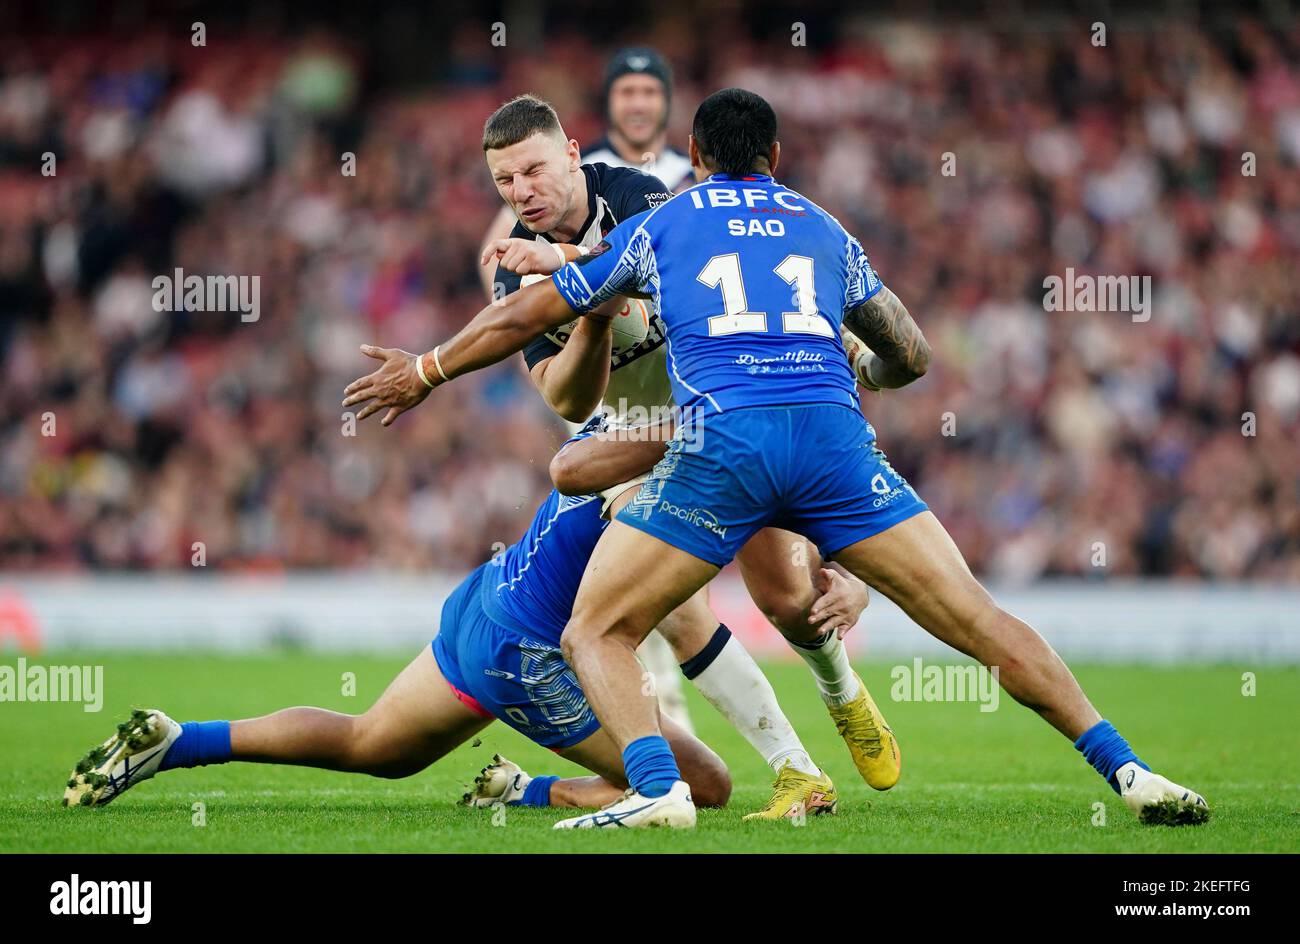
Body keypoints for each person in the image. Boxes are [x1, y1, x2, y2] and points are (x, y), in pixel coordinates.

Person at [342, 88, 1210, 831]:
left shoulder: (664, 219)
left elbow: (526, 316)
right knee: (978, 622)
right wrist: (865, 371)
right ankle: (1131, 772)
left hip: (715, 442)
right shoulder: (824, 226)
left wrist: (426, 370)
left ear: (691, 153)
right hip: (831, 440)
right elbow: (910, 353)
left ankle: (657, 792)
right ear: (778, 156)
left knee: (597, 628)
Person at [61, 419, 864, 822]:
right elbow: (674, 614)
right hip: (529, 652)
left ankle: (181, 740)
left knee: (370, 745)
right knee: (707, 784)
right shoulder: (659, 475)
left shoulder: (618, 435)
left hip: (486, 605)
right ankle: (541, 792)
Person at [477, 92, 904, 794]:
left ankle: (843, 692)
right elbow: (562, 396)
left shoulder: (639, 195)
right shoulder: (510, 274)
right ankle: (797, 771)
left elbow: (635, 281)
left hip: (722, 409)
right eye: (504, 181)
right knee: (673, 608)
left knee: (786, 599)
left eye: (532, 170)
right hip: (636, 435)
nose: (521, 191)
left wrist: (563, 264)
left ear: (574, 156)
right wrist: (575, 301)